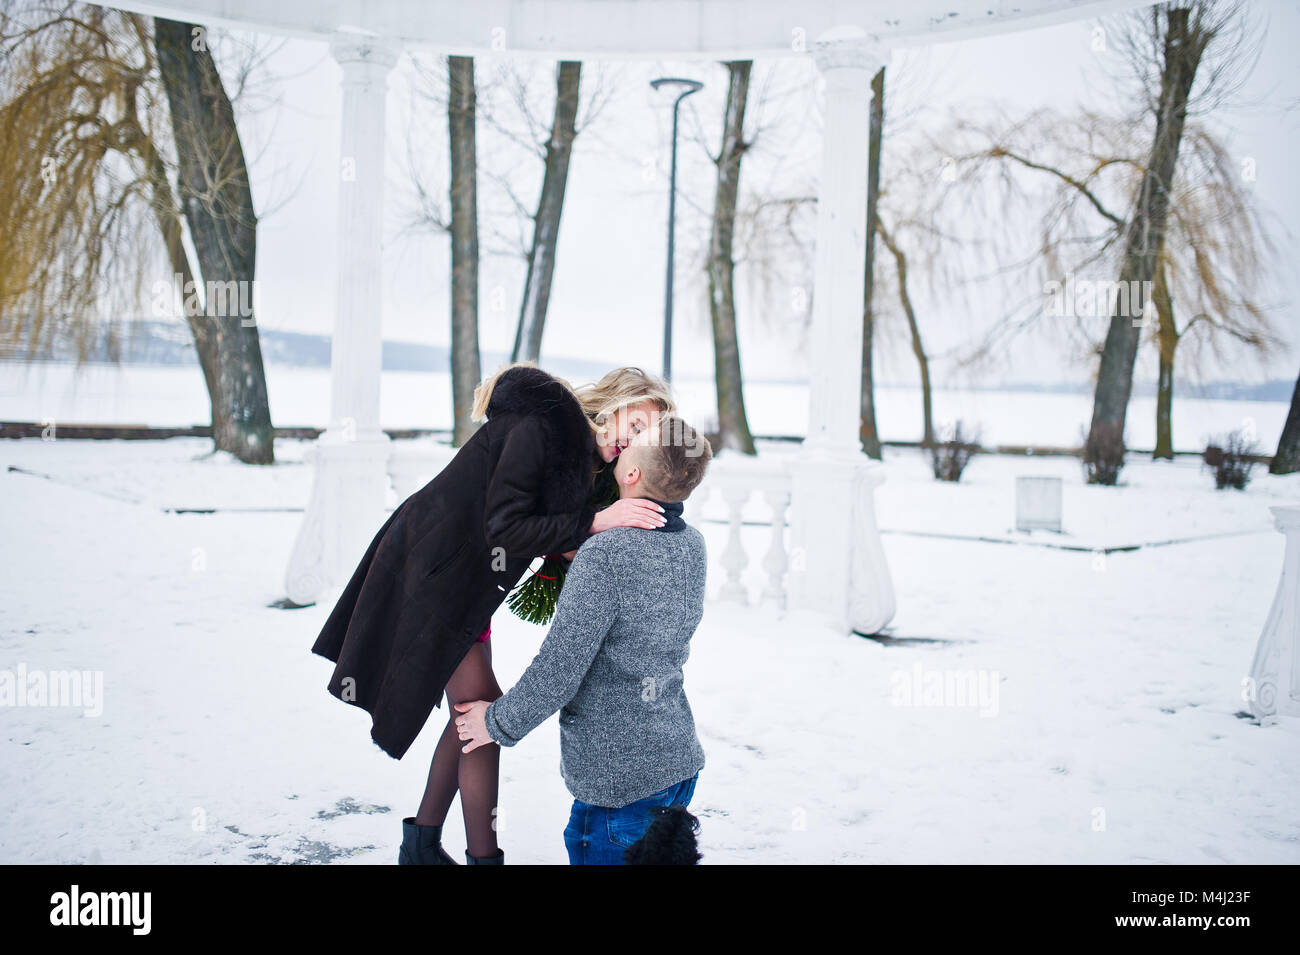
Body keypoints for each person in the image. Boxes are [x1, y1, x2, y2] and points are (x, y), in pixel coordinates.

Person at [310, 361, 676, 864]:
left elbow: (547, 527)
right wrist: (593, 522)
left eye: (644, 439)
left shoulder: (579, 458)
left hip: (465, 581)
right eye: (634, 425)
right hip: (435, 569)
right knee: (483, 715)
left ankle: (421, 845)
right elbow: (506, 528)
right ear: (614, 404)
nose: (631, 441)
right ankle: (474, 855)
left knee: (473, 715)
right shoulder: (540, 427)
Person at [454, 413, 713, 864]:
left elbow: (560, 669)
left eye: (635, 441)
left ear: (630, 474)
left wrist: (496, 722)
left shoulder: (608, 554)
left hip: (621, 787)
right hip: (677, 763)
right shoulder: (692, 544)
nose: (625, 441)